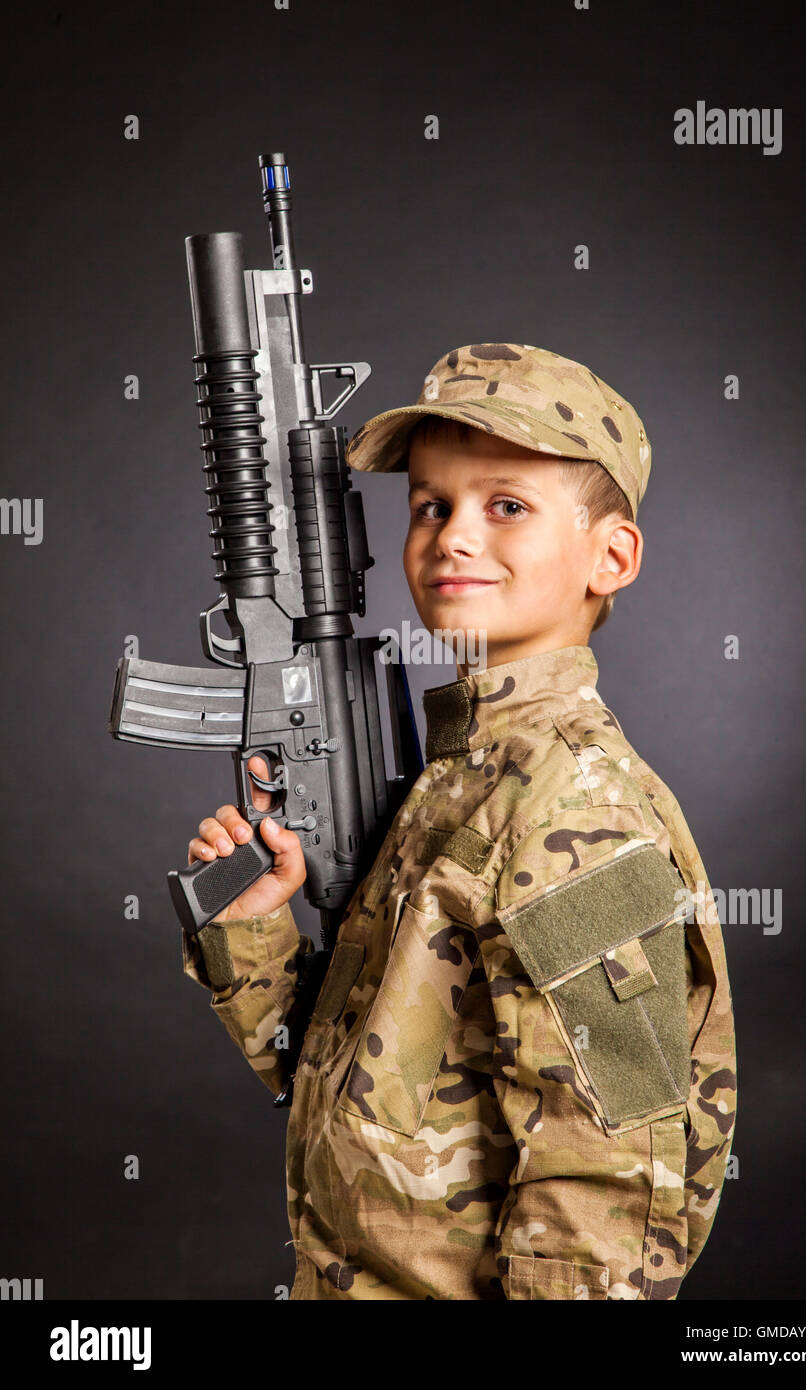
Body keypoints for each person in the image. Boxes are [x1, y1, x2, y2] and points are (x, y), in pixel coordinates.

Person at [181, 343, 737, 1300]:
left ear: (613, 557)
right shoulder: (461, 774)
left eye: (506, 505)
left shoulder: (577, 810)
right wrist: (255, 933)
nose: (453, 537)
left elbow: (605, 1191)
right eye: (431, 505)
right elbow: (363, 1084)